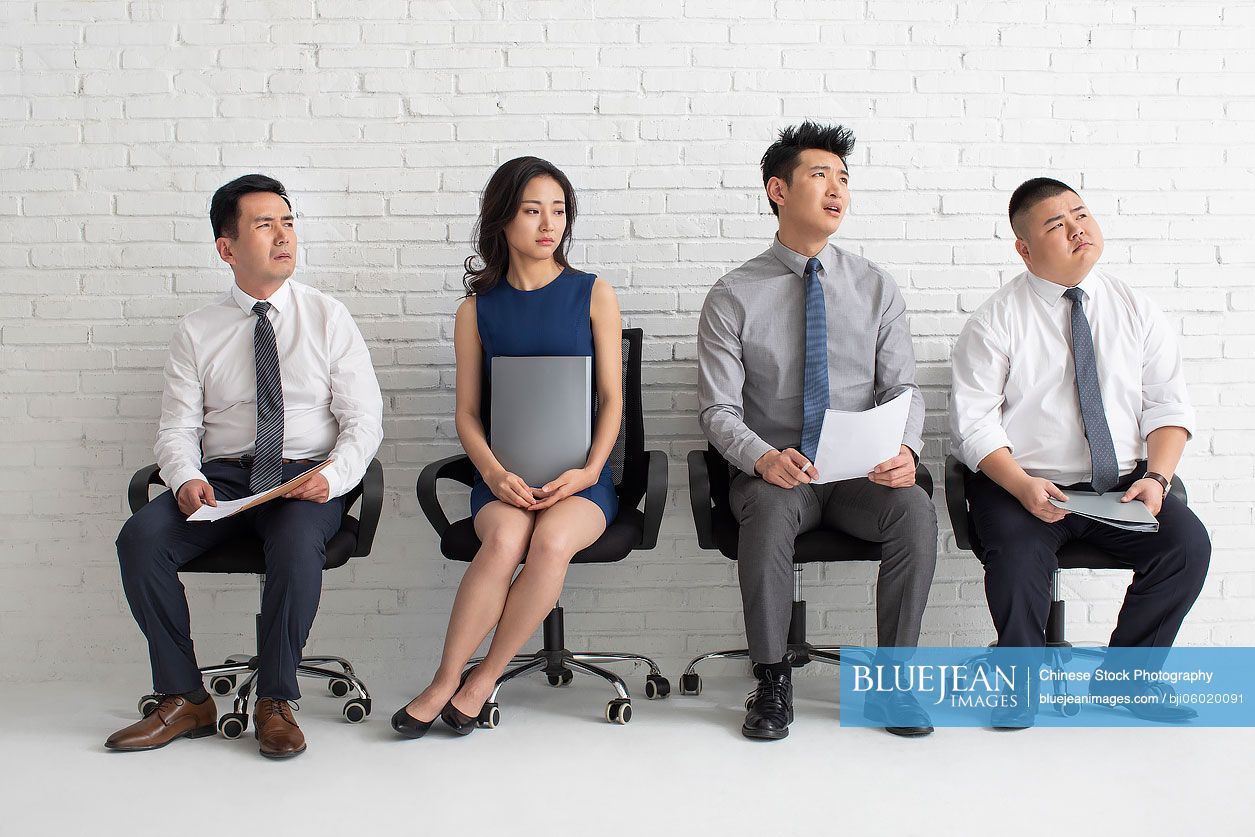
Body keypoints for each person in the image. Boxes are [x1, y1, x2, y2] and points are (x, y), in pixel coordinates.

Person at [105, 174, 384, 759]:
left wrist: (331, 479)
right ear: (226, 247)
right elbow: (177, 429)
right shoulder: (197, 330)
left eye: (288, 223)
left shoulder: (328, 317)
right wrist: (186, 478)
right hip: (226, 479)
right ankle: (185, 699)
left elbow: (364, 422)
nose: (283, 236)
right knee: (140, 540)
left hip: (303, 475)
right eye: (264, 225)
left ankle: (275, 702)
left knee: (294, 544)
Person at [697, 123, 938, 740]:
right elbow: (718, 410)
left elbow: (903, 390)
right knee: (770, 508)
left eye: (844, 178)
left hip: (860, 476)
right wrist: (762, 458)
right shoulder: (733, 295)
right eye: (820, 175)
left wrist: (906, 450)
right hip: (780, 474)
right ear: (777, 190)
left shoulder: (876, 287)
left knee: (914, 509)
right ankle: (772, 679)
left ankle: (894, 683)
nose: (837, 189)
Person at [949, 177, 1210, 728]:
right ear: (1024, 249)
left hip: (1121, 486)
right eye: (1056, 225)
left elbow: (1168, 408)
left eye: (1081, 215)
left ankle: (1126, 681)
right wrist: (1022, 485)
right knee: (1018, 559)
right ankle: (1019, 686)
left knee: (1186, 545)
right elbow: (973, 425)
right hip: (1022, 485)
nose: (1077, 230)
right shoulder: (996, 320)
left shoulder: (1136, 309)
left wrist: (1157, 478)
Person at [391, 157, 623, 738]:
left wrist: (589, 471)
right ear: (501, 219)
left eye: (559, 211)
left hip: (582, 480)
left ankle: (483, 678)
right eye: (532, 210)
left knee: (550, 542)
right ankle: (445, 679)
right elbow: (467, 413)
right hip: (503, 477)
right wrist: (494, 475)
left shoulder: (594, 294)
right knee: (503, 540)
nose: (549, 224)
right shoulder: (475, 310)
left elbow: (612, 401)